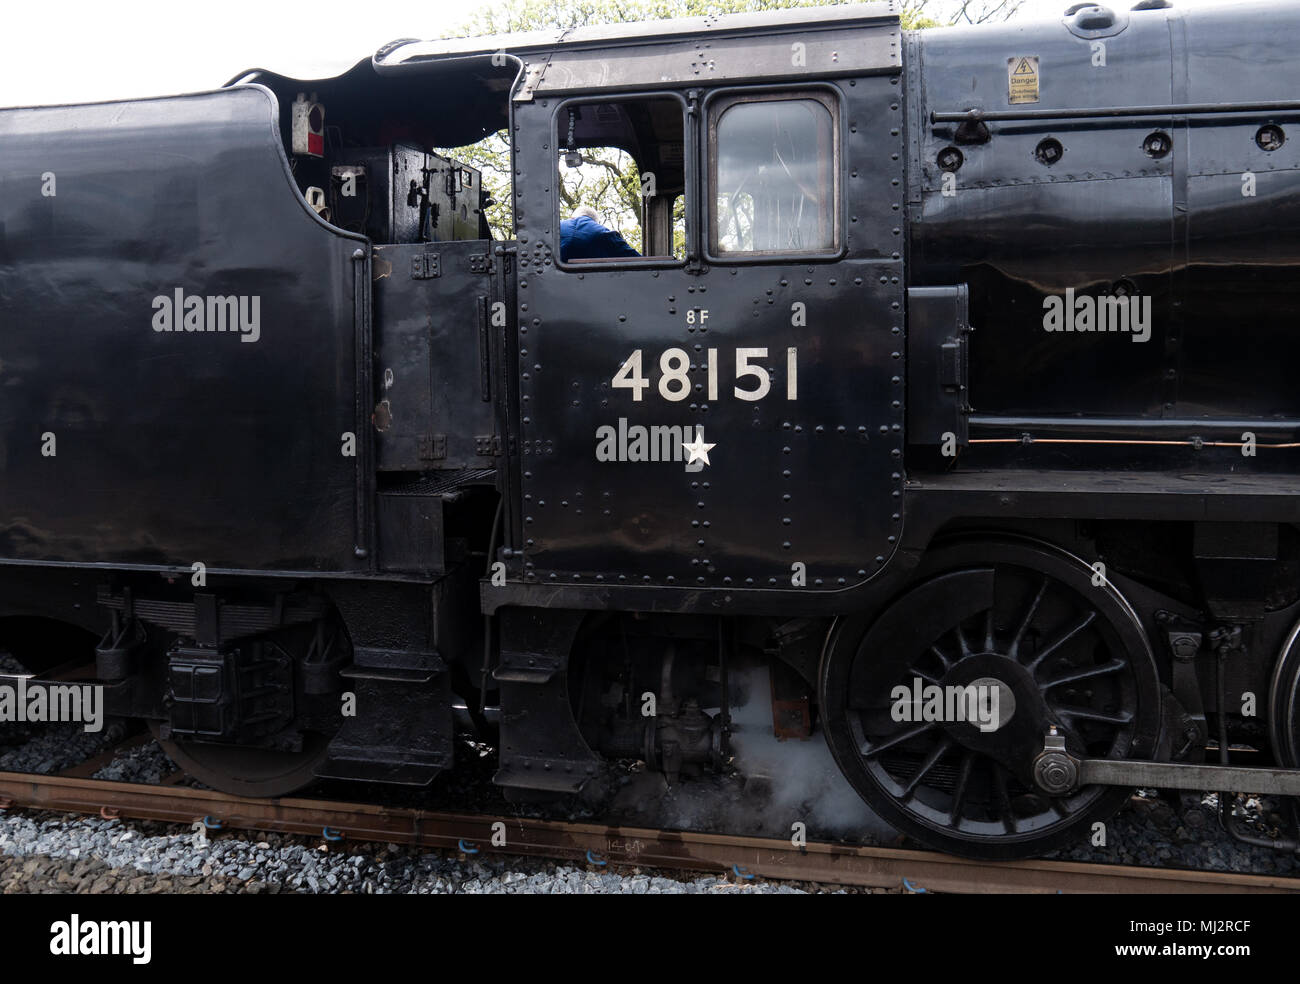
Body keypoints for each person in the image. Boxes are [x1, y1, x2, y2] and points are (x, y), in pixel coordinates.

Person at [560, 205, 641, 261]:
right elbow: (638, 260)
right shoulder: (604, 233)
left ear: (571, 217)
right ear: (595, 222)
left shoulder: (554, 227)